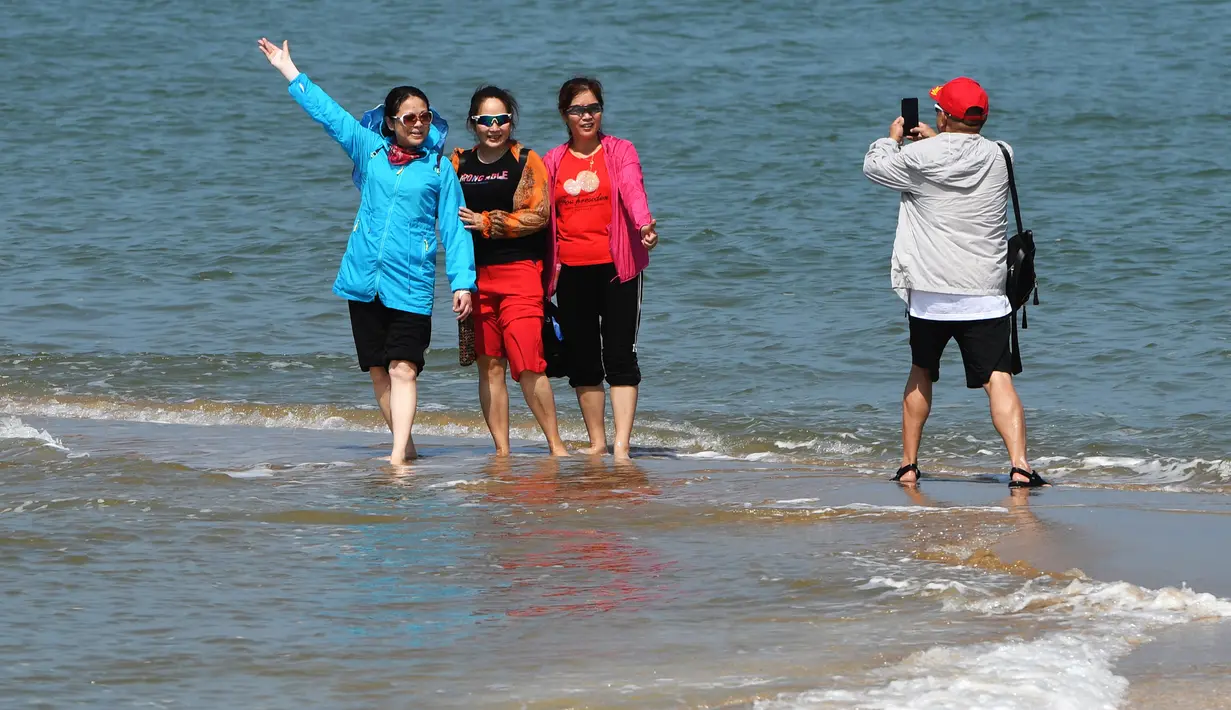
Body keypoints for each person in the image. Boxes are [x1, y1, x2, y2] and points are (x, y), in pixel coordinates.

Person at [257, 38, 475, 465]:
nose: (418, 123)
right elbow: (329, 115)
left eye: (424, 116)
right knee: (378, 369)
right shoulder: (369, 151)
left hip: (411, 284)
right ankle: (406, 448)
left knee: (403, 368)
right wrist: (288, 69)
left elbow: (455, 228)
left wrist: (463, 282)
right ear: (391, 122)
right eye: (409, 117)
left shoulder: (438, 171)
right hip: (363, 281)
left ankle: (395, 460)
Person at [862, 76, 1049, 488]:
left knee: (921, 371)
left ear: (943, 115)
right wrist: (937, 137)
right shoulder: (1003, 154)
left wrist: (892, 139)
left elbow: (875, 167)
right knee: (998, 379)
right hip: (983, 293)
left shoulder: (918, 158)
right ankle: (1020, 466)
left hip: (929, 293)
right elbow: (962, 153)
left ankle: (909, 466)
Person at [543, 77, 658, 460]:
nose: (587, 115)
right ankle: (597, 443)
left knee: (620, 356)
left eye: (593, 108)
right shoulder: (553, 161)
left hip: (618, 268)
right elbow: (541, 216)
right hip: (571, 271)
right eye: (578, 109)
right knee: (584, 359)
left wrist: (644, 225)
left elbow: (632, 188)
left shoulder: (620, 150)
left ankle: (622, 447)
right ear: (565, 115)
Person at [450, 86, 569, 457]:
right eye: (486, 120)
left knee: (528, 362)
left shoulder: (525, 160)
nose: (494, 127)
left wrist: (487, 222)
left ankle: (556, 446)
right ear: (473, 123)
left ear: (511, 121)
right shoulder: (457, 163)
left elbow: (539, 214)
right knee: (489, 367)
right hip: (475, 278)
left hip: (520, 273)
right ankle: (502, 451)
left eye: (501, 119)